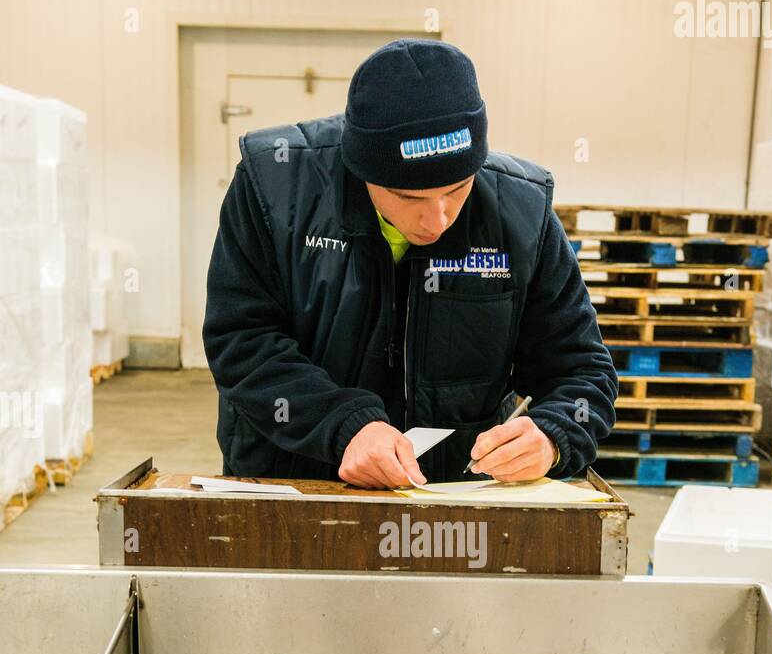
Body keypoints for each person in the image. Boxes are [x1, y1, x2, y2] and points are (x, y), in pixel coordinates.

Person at [203, 38, 617, 488]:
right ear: (361, 170)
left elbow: (581, 369)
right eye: (408, 198)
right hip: (294, 483)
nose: (436, 220)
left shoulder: (521, 212)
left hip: (453, 496)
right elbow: (242, 341)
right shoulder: (274, 188)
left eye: (457, 189)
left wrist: (552, 434)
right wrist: (344, 426)